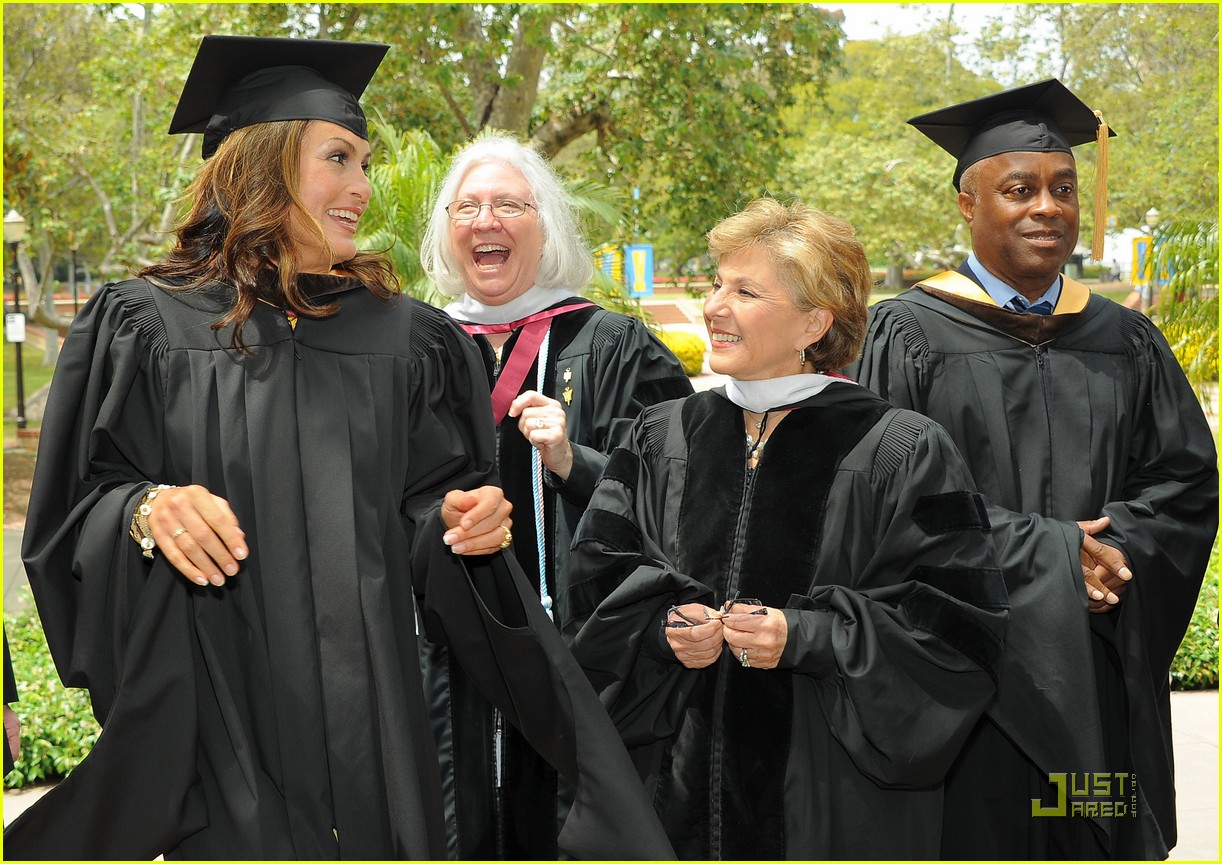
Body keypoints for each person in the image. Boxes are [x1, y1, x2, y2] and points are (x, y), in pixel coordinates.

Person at [5, 36, 672, 860]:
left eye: (366, 162)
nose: (362, 187)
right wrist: (145, 509)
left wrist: (460, 519)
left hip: (381, 732)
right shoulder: (143, 327)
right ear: (263, 163)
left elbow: (430, 509)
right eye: (340, 159)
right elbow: (72, 514)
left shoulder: (411, 343)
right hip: (226, 728)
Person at [566, 197, 1010, 859]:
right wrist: (658, 630)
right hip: (667, 803)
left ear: (814, 320)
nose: (714, 305)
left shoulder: (902, 450)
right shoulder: (659, 437)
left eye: (745, 290)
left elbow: (956, 632)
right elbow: (595, 581)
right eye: (716, 284)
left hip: (828, 809)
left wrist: (805, 636)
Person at [852, 79, 1218, 859]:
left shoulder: (1124, 340)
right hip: (965, 683)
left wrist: (1118, 552)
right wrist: (1053, 560)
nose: (1045, 208)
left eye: (1062, 189)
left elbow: (1184, 484)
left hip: (1094, 672)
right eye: (1018, 190)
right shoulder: (905, 335)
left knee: (1085, 826)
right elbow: (879, 500)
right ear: (967, 203)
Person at [417, 133, 693, 858]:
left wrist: (574, 462)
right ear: (447, 230)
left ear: (547, 226)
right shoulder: (413, 350)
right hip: (446, 661)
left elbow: (681, 503)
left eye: (510, 204)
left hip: (579, 655)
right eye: (468, 206)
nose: (487, 221)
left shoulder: (615, 345)